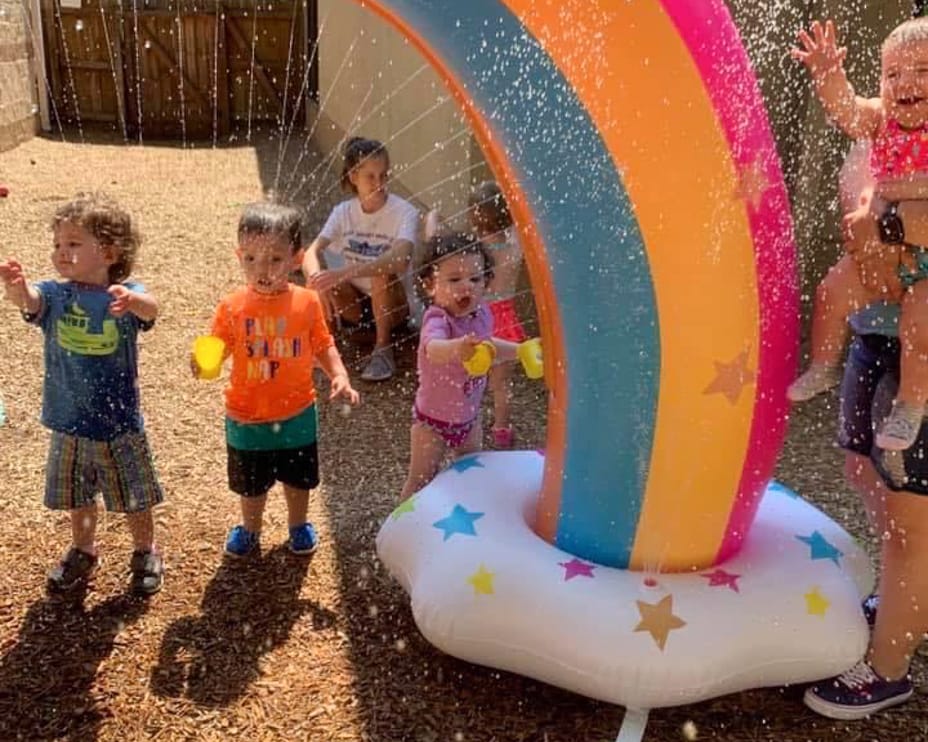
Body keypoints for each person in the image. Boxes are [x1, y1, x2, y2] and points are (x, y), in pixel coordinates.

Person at [799, 162, 928, 719]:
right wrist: (880, 215)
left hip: (918, 360)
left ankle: (888, 670)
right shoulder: (891, 131)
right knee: (862, 469)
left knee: (911, 522)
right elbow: (855, 181)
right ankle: (907, 599)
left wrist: (895, 229)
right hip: (871, 339)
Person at [0, 192, 165, 596]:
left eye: (73, 244)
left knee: (134, 495)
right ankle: (84, 548)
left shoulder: (122, 296)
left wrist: (133, 301)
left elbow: (153, 309)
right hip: (68, 421)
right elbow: (30, 302)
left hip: (118, 423)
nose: (61, 252)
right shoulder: (56, 296)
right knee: (78, 494)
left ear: (108, 252)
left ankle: (146, 549)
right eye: (57, 244)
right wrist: (17, 288)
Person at [788, 17, 928, 450]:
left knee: (920, 326)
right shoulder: (879, 119)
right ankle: (825, 363)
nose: (906, 83)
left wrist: (900, 191)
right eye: (893, 74)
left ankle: (910, 403)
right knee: (831, 293)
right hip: (883, 245)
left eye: (923, 71)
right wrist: (829, 75)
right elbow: (846, 110)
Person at [200, 202, 359, 557]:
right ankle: (250, 529)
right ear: (239, 255)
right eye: (252, 258)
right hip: (245, 415)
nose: (262, 269)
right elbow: (217, 350)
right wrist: (202, 363)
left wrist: (340, 375)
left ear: (296, 258)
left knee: (298, 479)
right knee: (251, 484)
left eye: (274, 259)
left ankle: (298, 525)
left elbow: (323, 344)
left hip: (297, 413)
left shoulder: (306, 302)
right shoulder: (231, 306)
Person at [399, 233, 518, 501]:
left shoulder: (482, 314)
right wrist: (457, 348)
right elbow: (433, 349)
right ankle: (397, 529)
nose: (467, 287)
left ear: (486, 282)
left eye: (475, 279)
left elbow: (490, 345)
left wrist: (520, 350)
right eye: (454, 280)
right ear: (431, 285)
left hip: (469, 420)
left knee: (469, 475)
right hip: (432, 423)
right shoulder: (438, 319)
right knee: (420, 479)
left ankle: (459, 520)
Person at [302, 137, 421, 382]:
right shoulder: (343, 212)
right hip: (356, 310)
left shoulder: (404, 211)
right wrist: (316, 280)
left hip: (395, 308)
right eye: (371, 176)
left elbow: (399, 260)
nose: (379, 183)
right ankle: (325, 347)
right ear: (353, 176)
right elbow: (311, 253)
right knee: (319, 279)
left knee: (380, 271)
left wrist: (345, 273)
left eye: (384, 175)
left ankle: (383, 349)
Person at [468, 181, 527, 449]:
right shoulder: (516, 242)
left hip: (479, 319)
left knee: (471, 378)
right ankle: (502, 429)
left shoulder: (476, 250)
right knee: (502, 384)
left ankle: (468, 425)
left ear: (475, 217)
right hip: (506, 320)